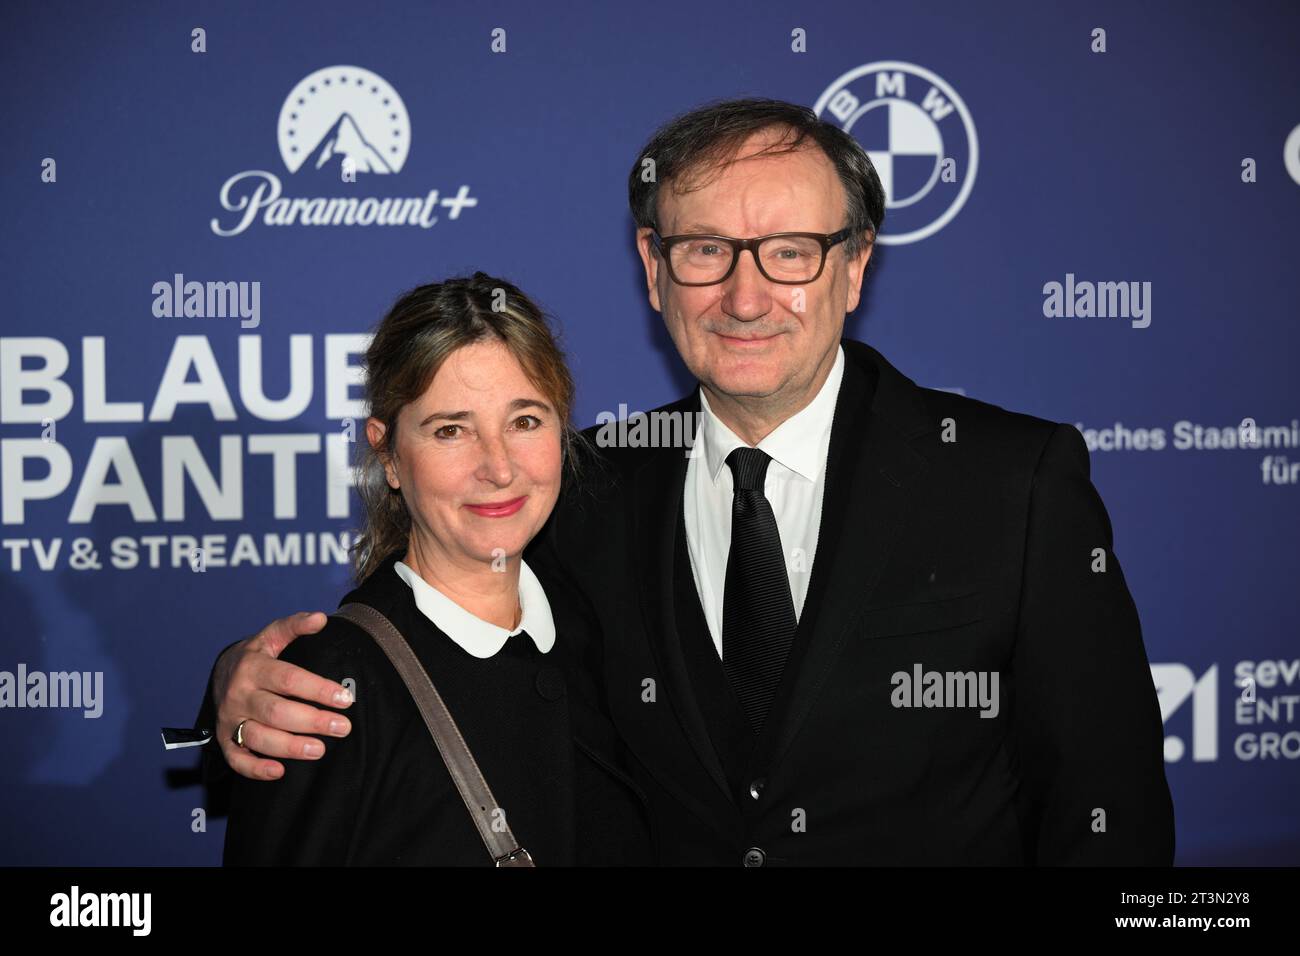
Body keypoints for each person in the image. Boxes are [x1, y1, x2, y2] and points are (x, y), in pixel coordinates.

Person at [200, 98, 1175, 866]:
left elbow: (1108, 812)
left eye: (790, 251)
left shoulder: (1013, 481)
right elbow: (442, 635)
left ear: (856, 265)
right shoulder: (582, 490)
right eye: (704, 250)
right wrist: (238, 683)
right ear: (653, 267)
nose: (744, 296)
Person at [221, 273, 651, 866]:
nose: (498, 468)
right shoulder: (330, 689)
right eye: (451, 430)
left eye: (525, 421)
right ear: (389, 454)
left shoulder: (603, 619)